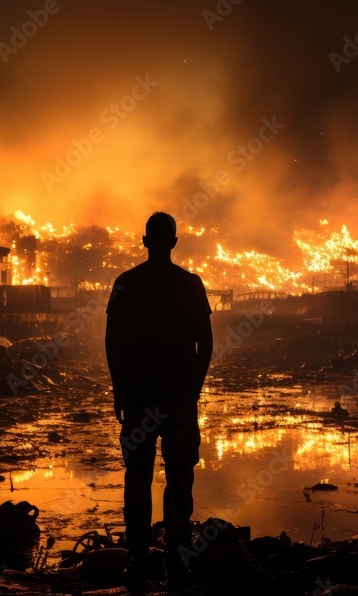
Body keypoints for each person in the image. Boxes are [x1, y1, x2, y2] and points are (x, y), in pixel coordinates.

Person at [105, 211, 213, 591]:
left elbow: (112, 342)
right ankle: (176, 554)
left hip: (138, 400)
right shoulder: (190, 284)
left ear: (145, 241)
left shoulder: (126, 284)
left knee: (138, 476)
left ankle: (137, 558)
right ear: (174, 243)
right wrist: (193, 390)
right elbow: (207, 344)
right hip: (178, 400)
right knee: (180, 476)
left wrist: (119, 391)